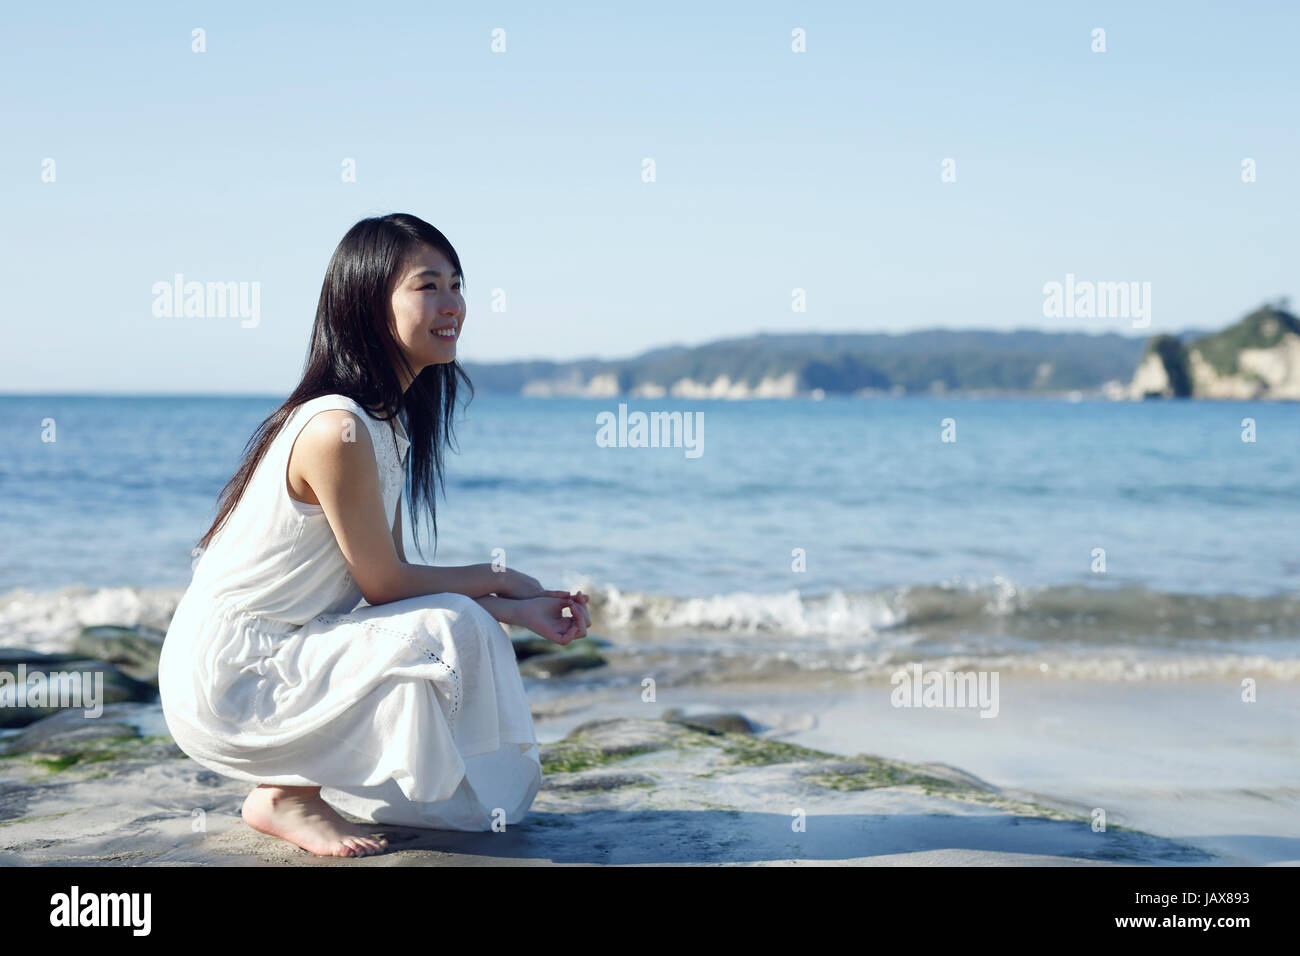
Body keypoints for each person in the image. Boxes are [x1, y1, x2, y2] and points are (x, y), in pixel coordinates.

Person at [157, 213, 590, 858]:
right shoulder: (337, 429)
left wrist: (516, 611)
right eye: (428, 286)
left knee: (453, 625)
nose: (453, 306)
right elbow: (387, 584)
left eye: (456, 284)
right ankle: (284, 796)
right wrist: (496, 578)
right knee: (450, 628)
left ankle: (296, 787)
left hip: (291, 652)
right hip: (231, 677)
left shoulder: (383, 426)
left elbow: (389, 590)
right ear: (366, 304)